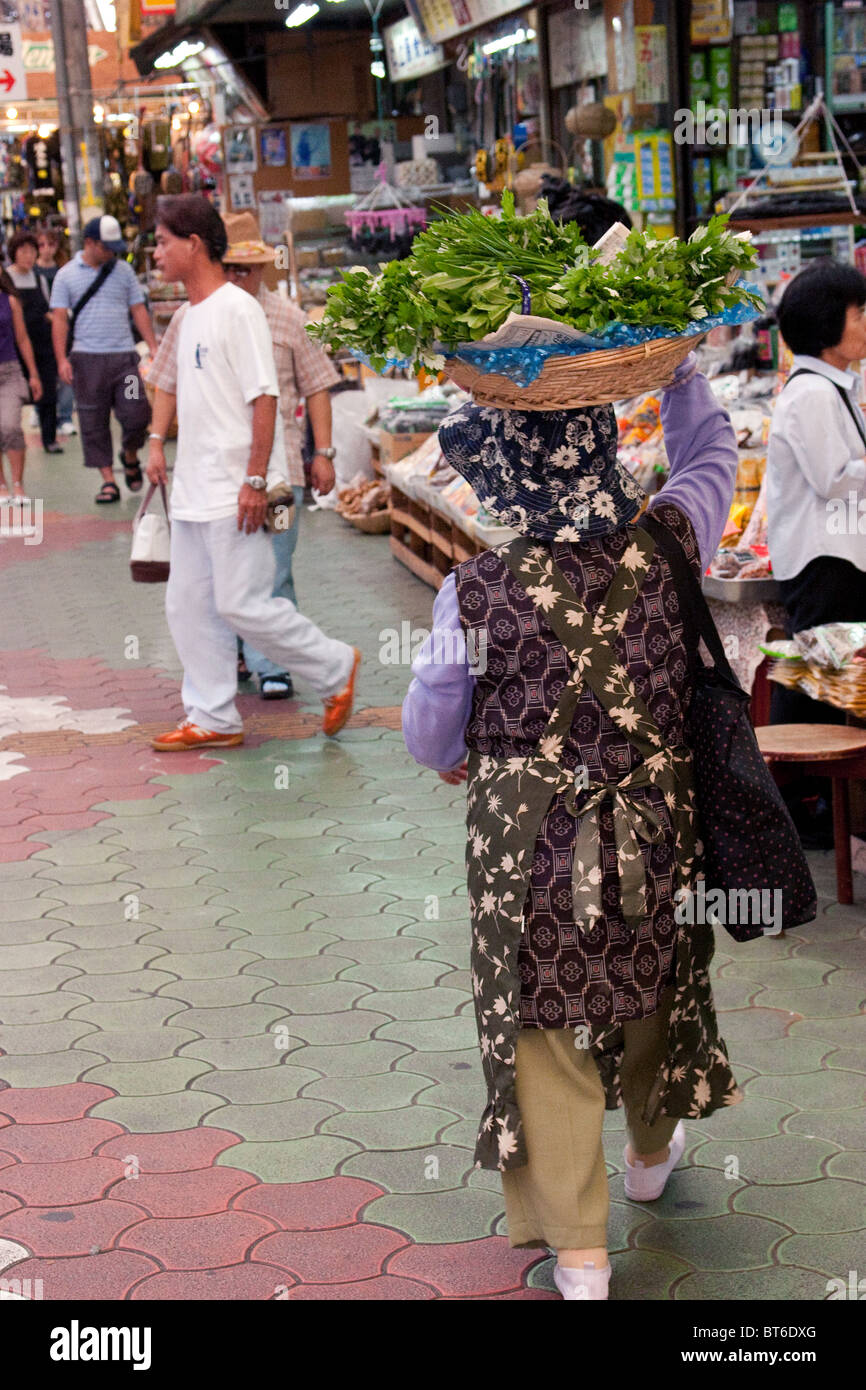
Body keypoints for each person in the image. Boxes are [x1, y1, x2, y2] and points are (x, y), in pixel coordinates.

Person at [402, 354, 740, 1301]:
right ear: (603, 456)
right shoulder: (672, 546)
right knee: (652, 979)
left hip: (526, 842)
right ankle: (647, 1154)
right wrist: (681, 371)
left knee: (544, 1025)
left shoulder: (473, 589)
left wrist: (456, 754)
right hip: (654, 825)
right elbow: (709, 453)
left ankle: (582, 1256)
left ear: (506, 476)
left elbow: (432, 723)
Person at [145, 194, 360, 750]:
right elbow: (168, 386)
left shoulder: (238, 311)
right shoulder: (189, 316)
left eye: (163, 240)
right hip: (195, 488)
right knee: (186, 604)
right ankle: (212, 716)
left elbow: (264, 398)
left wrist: (255, 479)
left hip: (234, 488)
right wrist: (155, 448)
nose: (156, 252)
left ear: (193, 243)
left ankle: (334, 666)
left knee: (242, 601)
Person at [768, 259, 866, 724]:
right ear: (829, 325)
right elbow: (834, 477)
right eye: (859, 314)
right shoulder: (814, 393)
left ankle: (821, 792)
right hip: (823, 562)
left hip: (837, 557)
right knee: (814, 685)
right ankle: (804, 790)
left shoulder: (833, 387)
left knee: (826, 681)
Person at [50, 214, 157, 504]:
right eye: (106, 246)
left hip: (125, 361)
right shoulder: (66, 275)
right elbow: (59, 319)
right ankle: (108, 481)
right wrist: (62, 359)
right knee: (92, 420)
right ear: (89, 243)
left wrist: (153, 346)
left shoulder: (123, 272)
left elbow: (138, 310)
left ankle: (130, 454)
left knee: (137, 413)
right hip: (87, 361)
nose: (112, 252)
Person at [7, 231, 61, 454]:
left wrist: (56, 319)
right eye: (23, 251)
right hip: (14, 345)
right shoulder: (5, 279)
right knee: (14, 395)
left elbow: (48, 308)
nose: (29, 256)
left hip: (42, 343)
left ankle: (49, 438)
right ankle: (13, 441)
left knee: (49, 392)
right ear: (13, 254)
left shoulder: (39, 279)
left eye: (32, 251)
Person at [0, 264, 42, 504]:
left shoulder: (10, 300)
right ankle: (2, 485)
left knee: (10, 426)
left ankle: (18, 484)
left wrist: (33, 374)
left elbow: (23, 338)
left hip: (9, 371)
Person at [37, 228, 76, 436]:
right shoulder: (33, 272)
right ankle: (41, 410)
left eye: (50, 244)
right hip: (41, 331)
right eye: (41, 245)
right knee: (45, 374)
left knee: (67, 370)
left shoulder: (64, 271)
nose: (46, 250)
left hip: (64, 328)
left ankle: (65, 416)